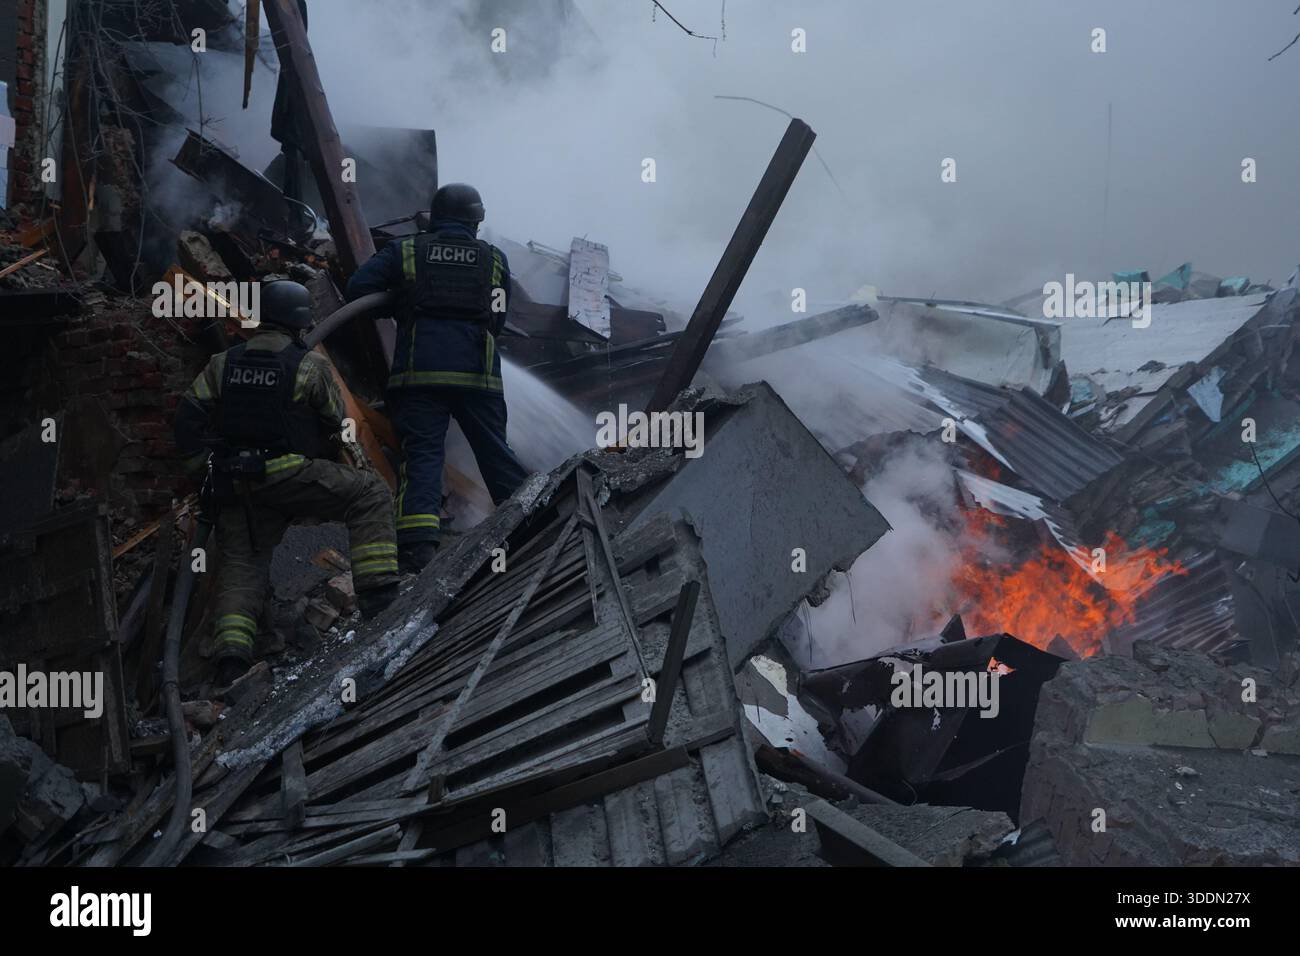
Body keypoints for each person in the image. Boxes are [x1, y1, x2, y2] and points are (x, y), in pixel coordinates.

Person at [174, 279, 400, 687]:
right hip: (289, 473)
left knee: (242, 568)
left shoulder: (223, 362)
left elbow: (187, 417)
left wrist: (201, 472)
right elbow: (338, 424)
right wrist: (355, 467)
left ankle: (232, 660)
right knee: (370, 495)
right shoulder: (308, 366)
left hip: (234, 485)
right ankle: (380, 595)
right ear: (299, 322)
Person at [346, 182, 528, 574]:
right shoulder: (493, 258)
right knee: (495, 452)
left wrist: (401, 300)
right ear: (474, 220)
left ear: (436, 217)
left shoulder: (407, 250)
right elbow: (497, 316)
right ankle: (531, 527)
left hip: (420, 376)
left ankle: (418, 550)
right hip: (478, 379)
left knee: (424, 457)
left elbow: (358, 289)